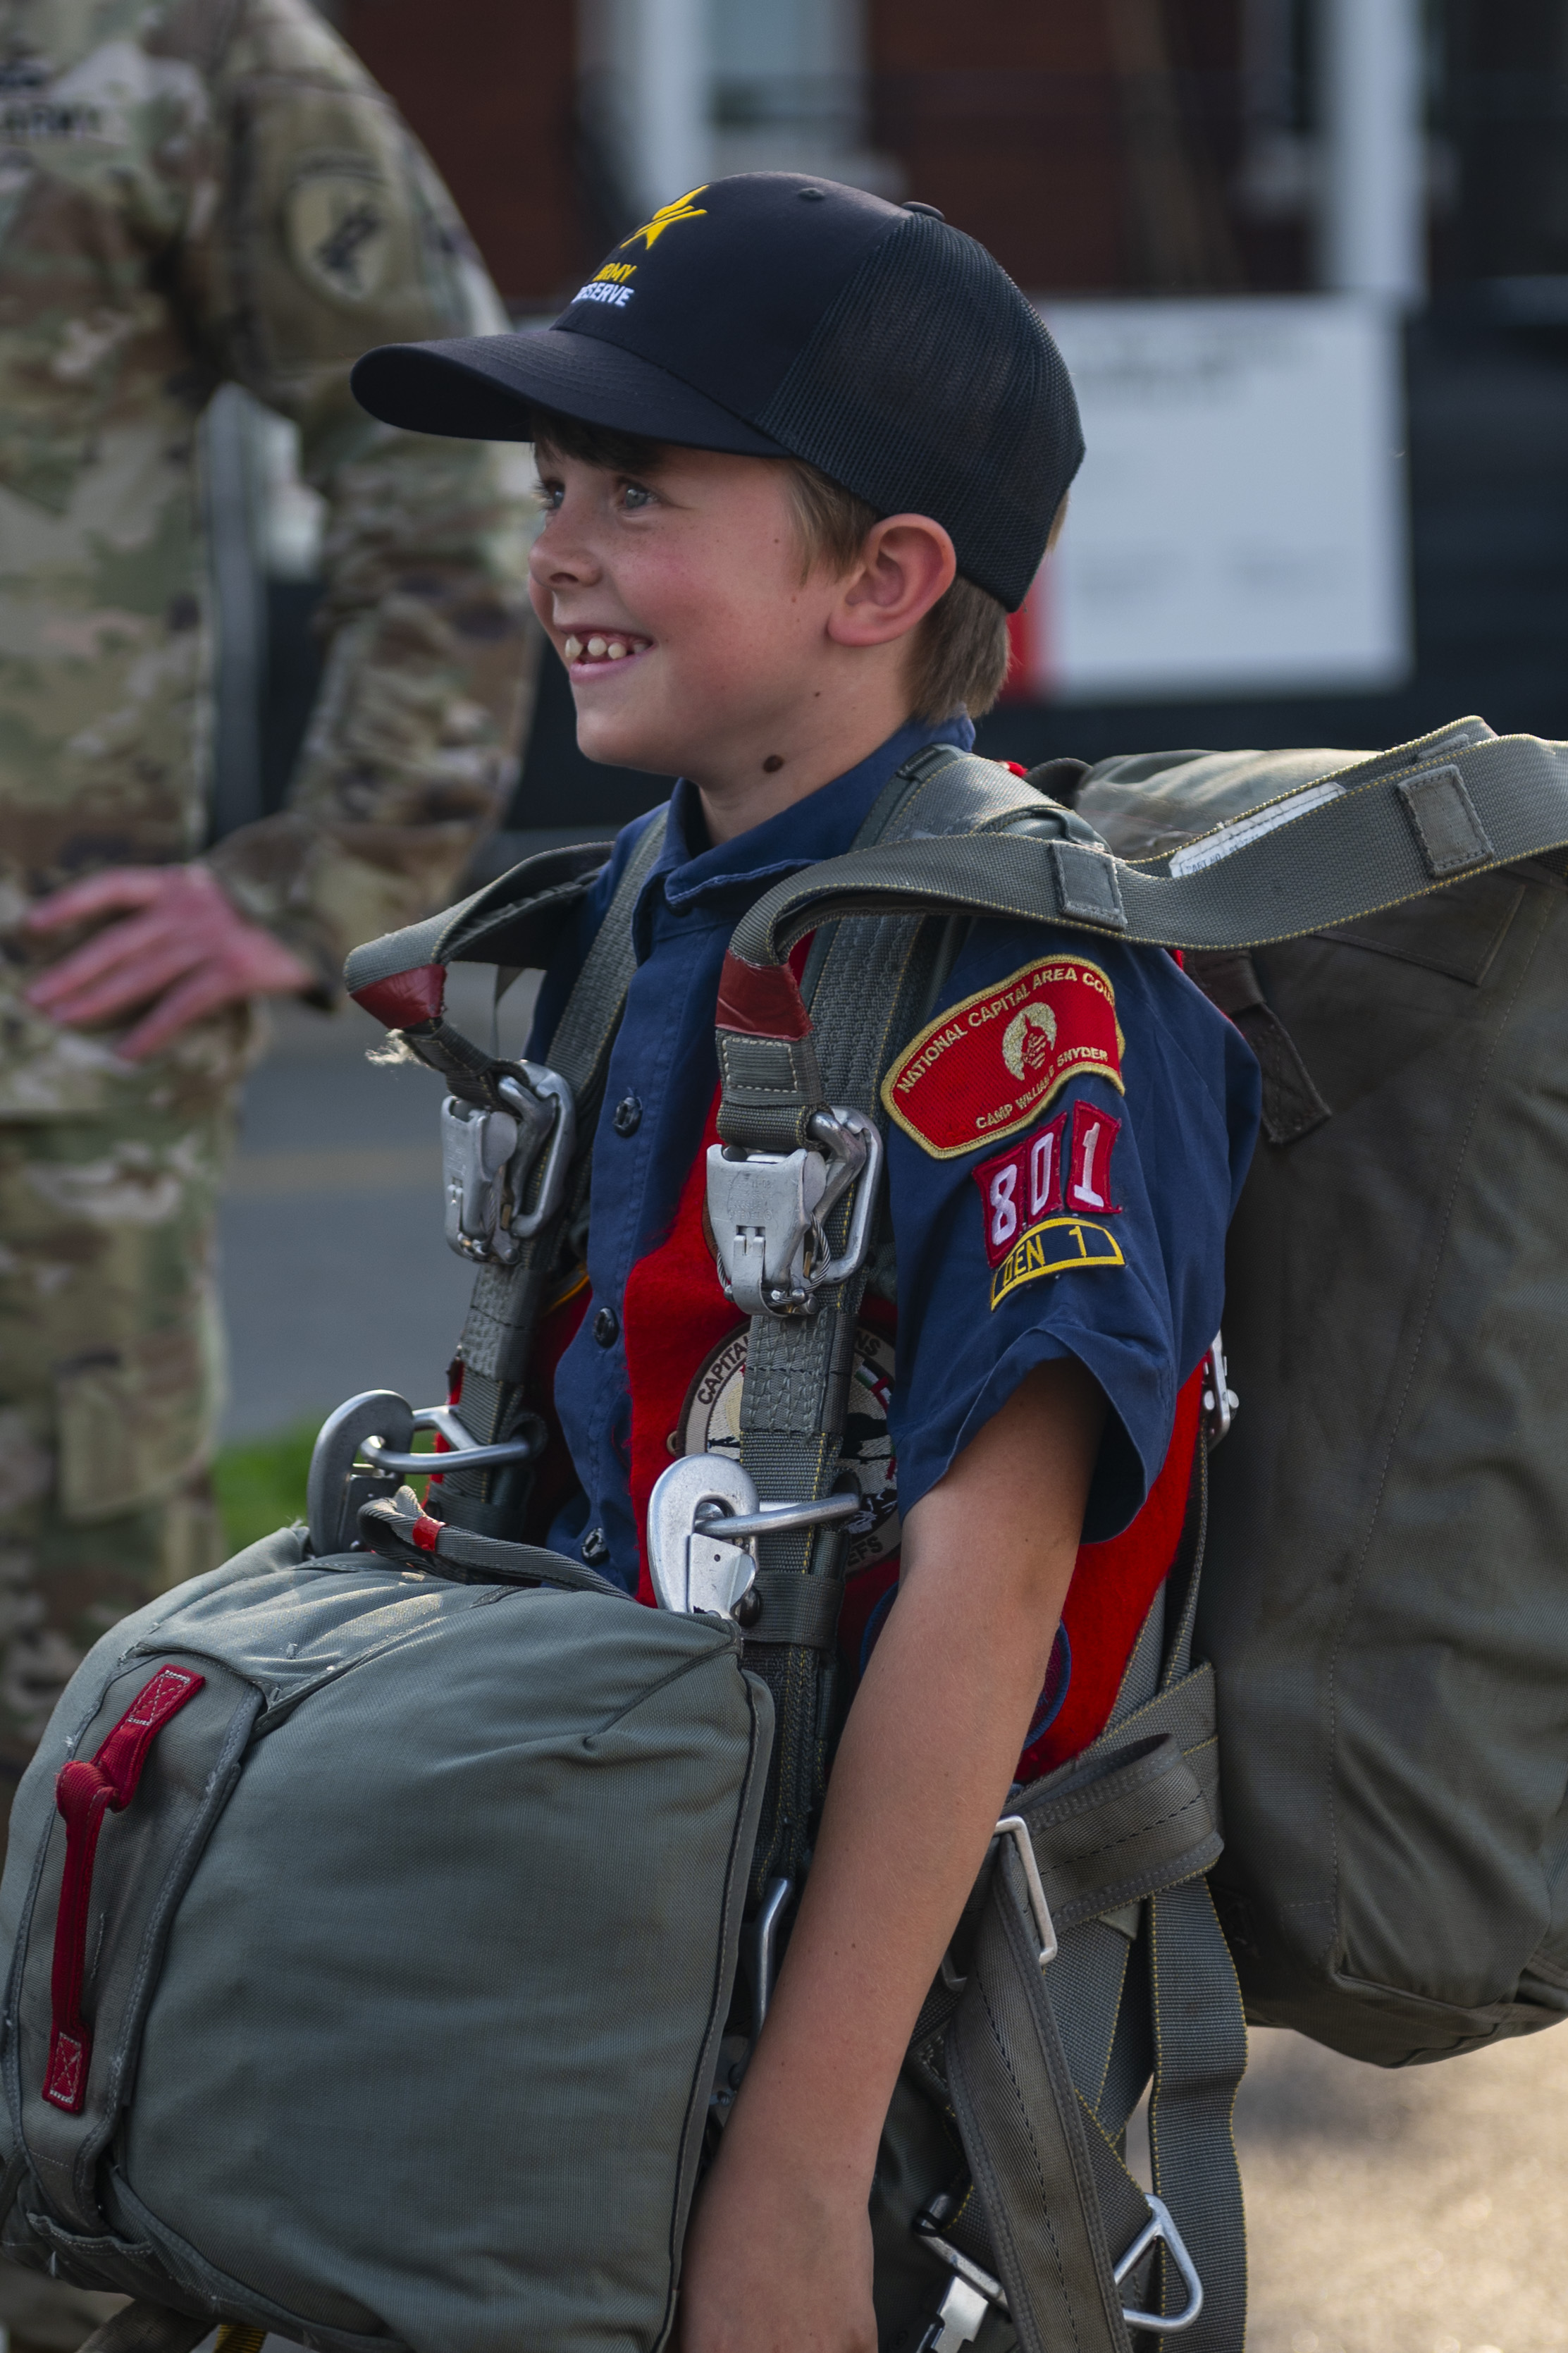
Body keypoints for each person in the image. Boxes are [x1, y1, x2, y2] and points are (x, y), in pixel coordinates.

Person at [351, 172, 1260, 2353]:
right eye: (552, 483)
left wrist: (790, 2174)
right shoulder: (600, 931)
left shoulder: (1031, 1006)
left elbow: (992, 1583)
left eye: (637, 491)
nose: (553, 544)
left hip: (886, 2062)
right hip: (582, 1976)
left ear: (884, 577)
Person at [0, 0, 535, 1894]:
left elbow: (443, 435)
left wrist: (322, 873)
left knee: (75, 1765)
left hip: (43, 1078)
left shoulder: (162, 42)